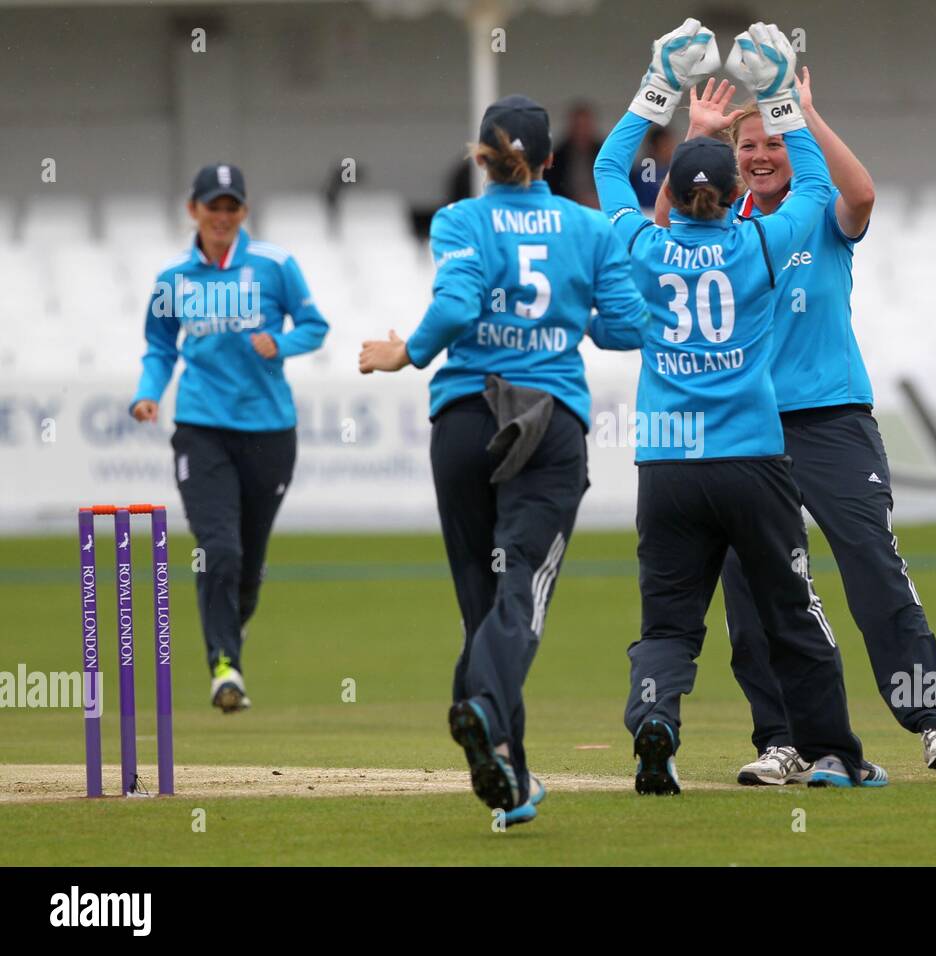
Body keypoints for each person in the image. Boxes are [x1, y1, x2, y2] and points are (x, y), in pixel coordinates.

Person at [654, 71, 936, 784]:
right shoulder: (719, 226)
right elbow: (656, 244)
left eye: (773, 142)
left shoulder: (818, 207)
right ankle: (785, 741)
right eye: (748, 146)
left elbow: (862, 195)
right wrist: (697, 140)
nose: (761, 155)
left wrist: (804, 115)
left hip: (831, 419)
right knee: (753, 588)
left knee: (871, 564)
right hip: (747, 430)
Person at [595, 19, 886, 793]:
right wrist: (782, 92)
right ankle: (833, 755)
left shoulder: (646, 248)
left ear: (670, 198)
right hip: (752, 458)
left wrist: (659, 79)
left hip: (665, 460)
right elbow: (821, 185)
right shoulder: (756, 246)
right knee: (791, 609)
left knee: (667, 624)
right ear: (733, 198)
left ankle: (656, 722)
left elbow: (606, 166)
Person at [359, 95, 649, 827]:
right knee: (521, 586)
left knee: (481, 602)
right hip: (546, 421)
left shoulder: (460, 220)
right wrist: (564, 312)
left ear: (481, 159)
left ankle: (512, 778)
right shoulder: (587, 227)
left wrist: (406, 354)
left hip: (464, 419)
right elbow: (627, 327)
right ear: (551, 160)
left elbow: (456, 309)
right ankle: (483, 711)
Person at [130, 163, 328, 714]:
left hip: (269, 431)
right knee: (218, 549)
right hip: (201, 428)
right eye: (211, 207)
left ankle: (227, 645)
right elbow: (159, 346)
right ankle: (224, 665)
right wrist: (148, 393)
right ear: (192, 210)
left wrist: (281, 344)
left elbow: (315, 325)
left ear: (243, 212)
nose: (221, 217)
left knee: (247, 567)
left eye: (230, 207)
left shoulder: (274, 265)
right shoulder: (174, 281)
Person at [547, 103, 604, 207]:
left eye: (585, 126)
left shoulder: (604, 153)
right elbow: (553, 188)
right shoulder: (558, 157)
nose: (582, 132)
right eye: (578, 126)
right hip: (567, 208)